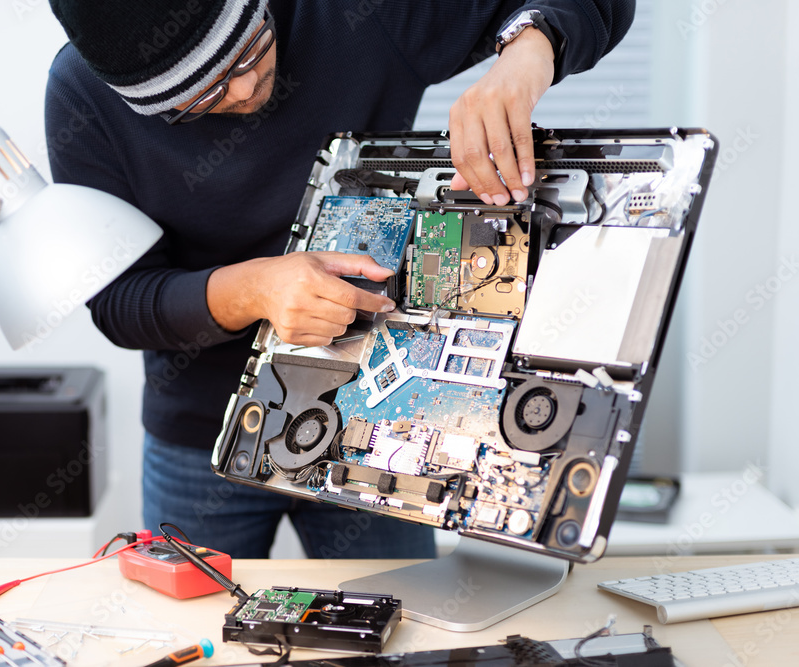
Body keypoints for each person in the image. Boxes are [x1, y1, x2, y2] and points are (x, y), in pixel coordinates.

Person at [45, 0, 635, 559]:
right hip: (202, 436)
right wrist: (255, 290)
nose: (246, 89)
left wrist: (527, 55)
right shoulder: (81, 97)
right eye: (203, 98)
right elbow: (120, 301)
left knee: (396, 637)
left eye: (250, 51)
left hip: (382, 420)